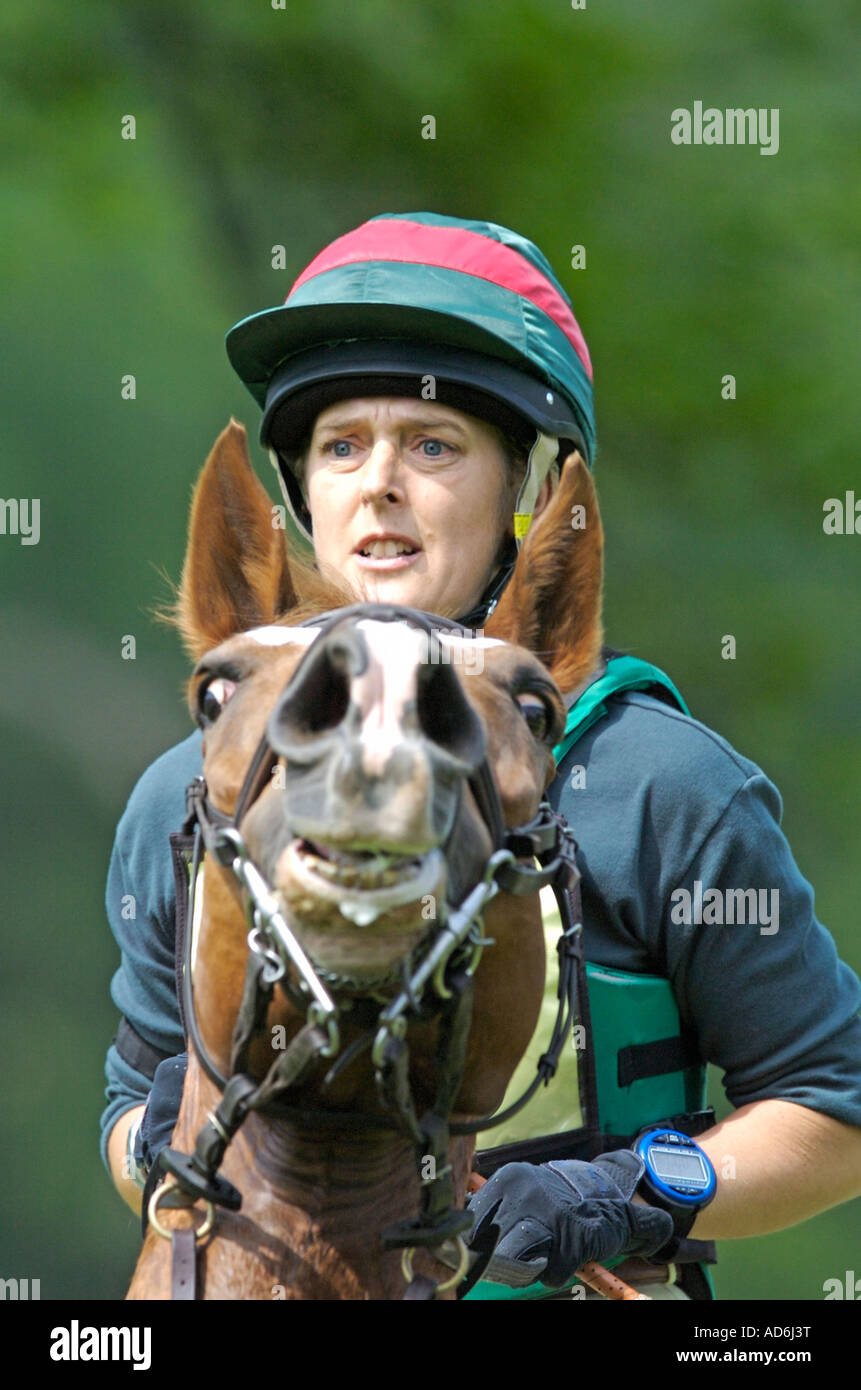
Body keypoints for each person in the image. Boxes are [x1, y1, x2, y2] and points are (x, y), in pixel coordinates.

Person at [102, 211, 861, 1300]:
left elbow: (838, 1108)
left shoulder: (664, 786)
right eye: (342, 446)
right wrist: (174, 1139)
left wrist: (624, 1195)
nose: (379, 485)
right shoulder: (189, 790)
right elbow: (124, 1114)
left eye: (432, 444)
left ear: (526, 486)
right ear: (302, 492)